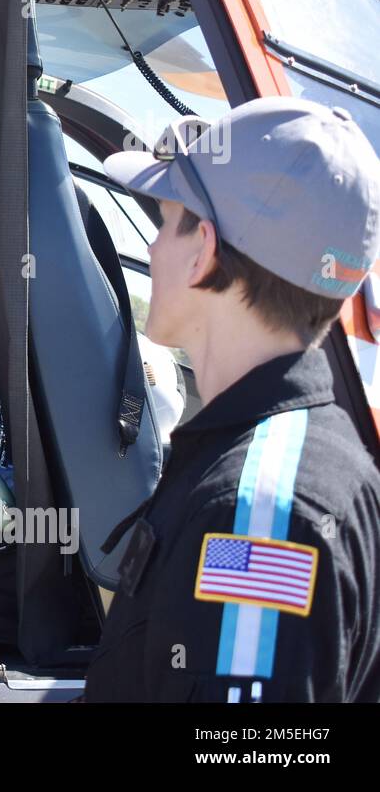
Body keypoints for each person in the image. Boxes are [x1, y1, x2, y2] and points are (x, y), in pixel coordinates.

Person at [83, 98, 380, 701]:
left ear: (203, 252)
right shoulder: (311, 461)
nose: (156, 245)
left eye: (167, 221)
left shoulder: (257, 517)